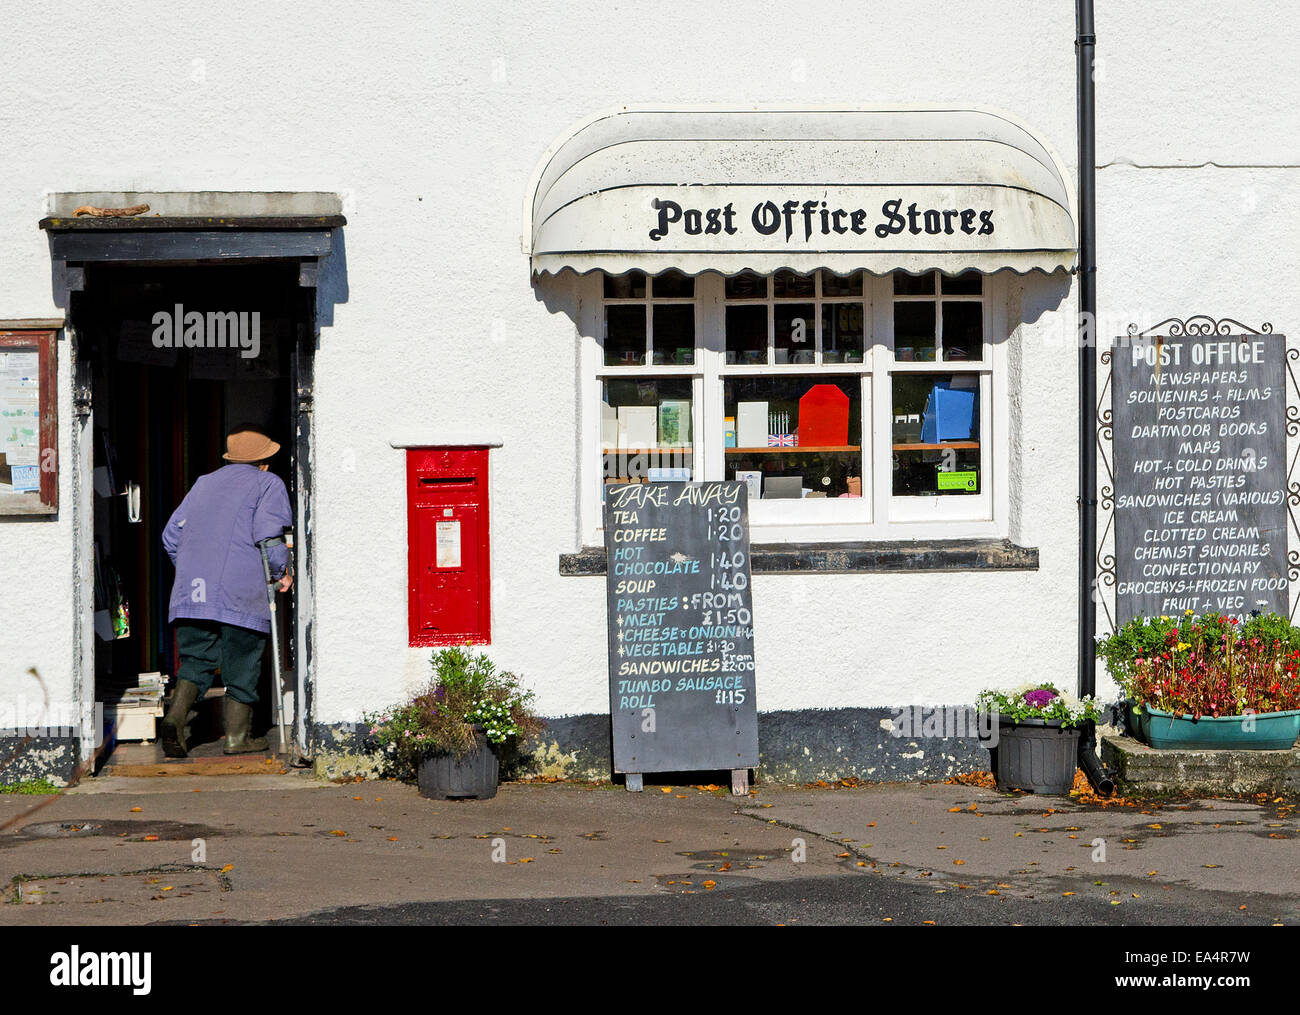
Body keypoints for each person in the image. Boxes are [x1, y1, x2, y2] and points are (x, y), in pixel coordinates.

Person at [159, 426, 293, 757]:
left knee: (195, 659)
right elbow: (269, 537)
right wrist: (281, 573)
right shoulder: (268, 483)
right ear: (264, 461)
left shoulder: (204, 483)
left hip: (193, 589)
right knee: (242, 660)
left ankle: (174, 719)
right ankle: (237, 738)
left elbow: (170, 537)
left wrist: (195, 568)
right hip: (241, 589)